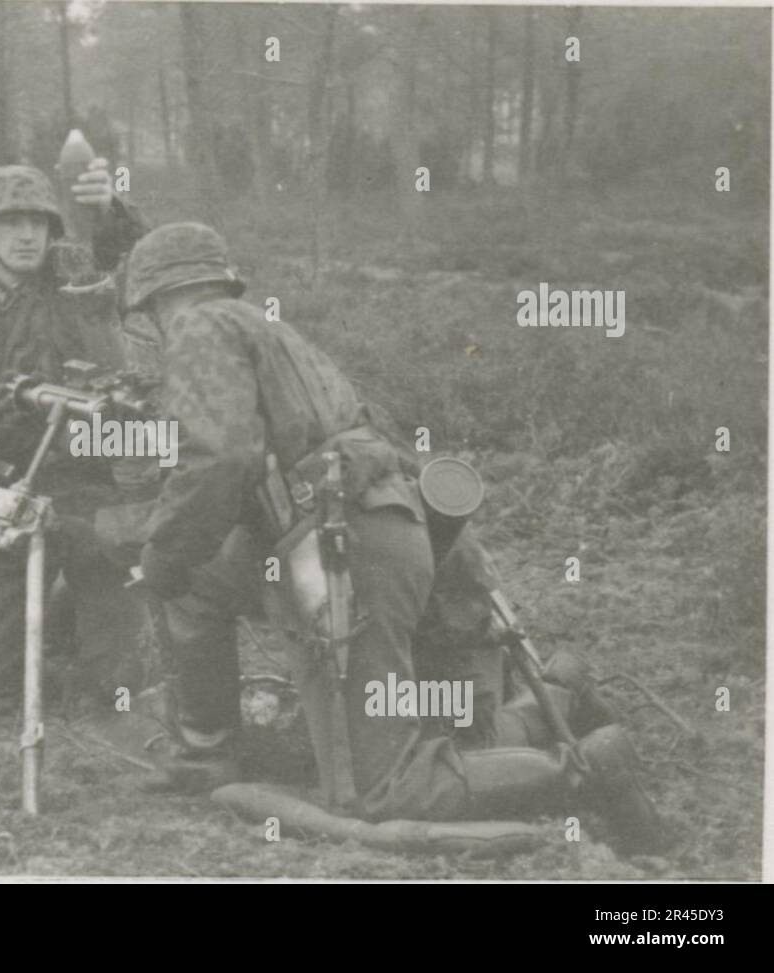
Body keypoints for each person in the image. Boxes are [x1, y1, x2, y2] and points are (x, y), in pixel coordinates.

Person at [124, 222, 665, 853]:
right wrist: (178, 562)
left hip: (342, 553)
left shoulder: (198, 328)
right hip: (375, 527)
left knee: (380, 791)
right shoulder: (273, 332)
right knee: (197, 582)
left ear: (153, 302)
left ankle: (584, 773)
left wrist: (160, 552)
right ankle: (561, 693)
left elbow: (218, 461)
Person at [0, 161, 151, 715]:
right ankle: (54, 613)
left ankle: (80, 619)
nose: (26, 235)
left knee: (118, 691)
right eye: (10, 222)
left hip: (100, 499)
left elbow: (132, 260)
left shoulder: (81, 281)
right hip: (15, 501)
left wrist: (111, 212)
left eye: (38, 221)